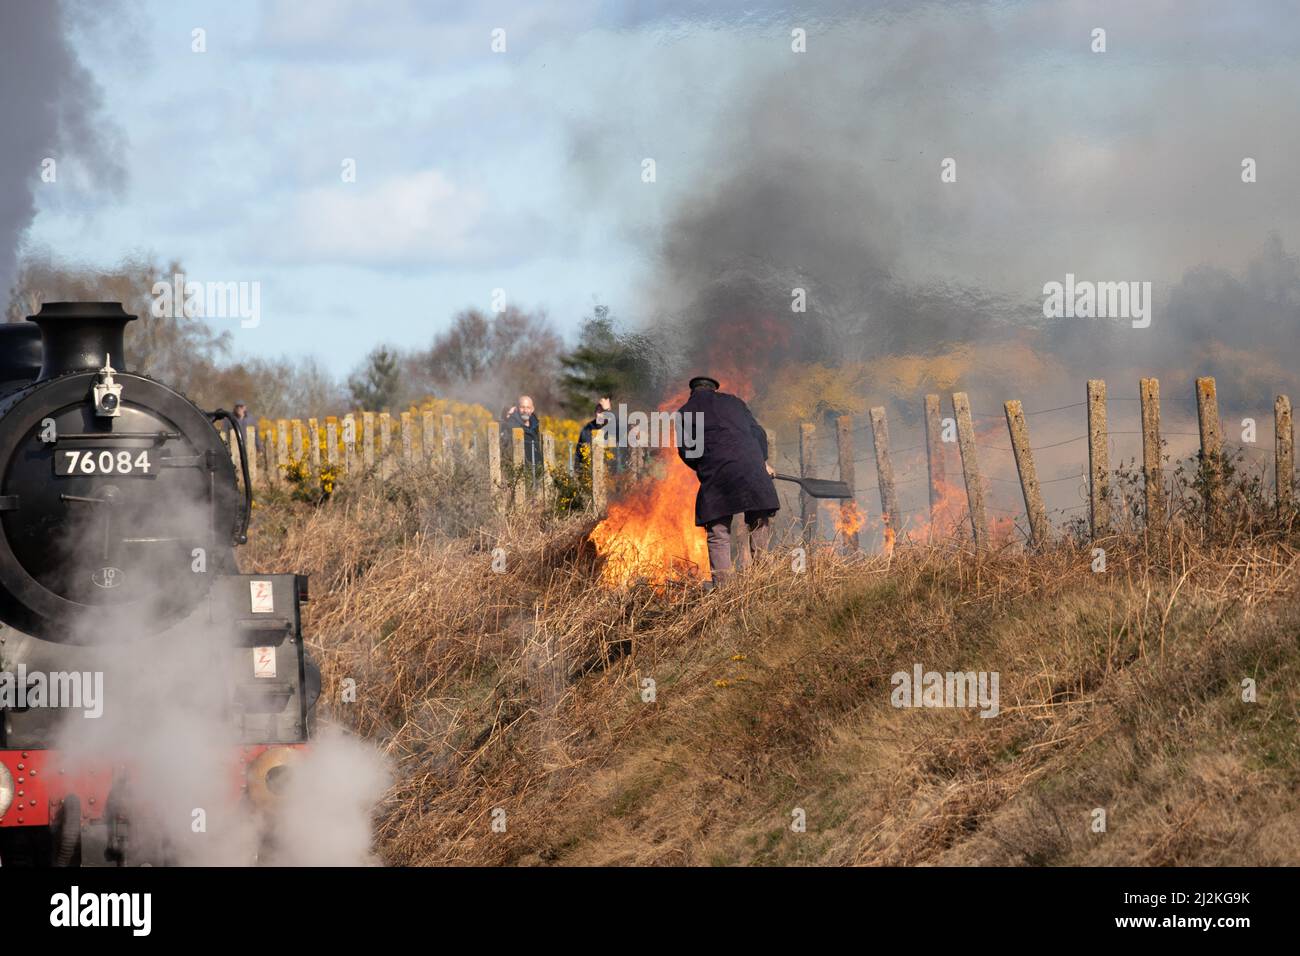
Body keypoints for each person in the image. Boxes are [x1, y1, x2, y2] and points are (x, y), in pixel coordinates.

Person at [676, 375, 779, 589]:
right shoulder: (735, 402)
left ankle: (725, 592)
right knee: (759, 519)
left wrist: (705, 466)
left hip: (717, 471)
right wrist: (762, 462)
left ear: (692, 392)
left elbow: (687, 452)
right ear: (714, 389)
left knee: (719, 533)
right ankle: (765, 582)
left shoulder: (685, 412)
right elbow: (758, 433)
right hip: (753, 466)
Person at [502, 394, 541, 476]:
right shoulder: (511, 425)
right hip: (519, 473)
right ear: (517, 409)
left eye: (528, 407)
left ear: (532, 409)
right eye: (522, 407)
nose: (525, 410)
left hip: (536, 470)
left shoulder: (535, 424)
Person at [576, 396, 612, 465]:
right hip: (589, 471)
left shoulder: (616, 429)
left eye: (602, 411)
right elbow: (579, 455)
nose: (599, 415)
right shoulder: (587, 429)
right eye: (597, 411)